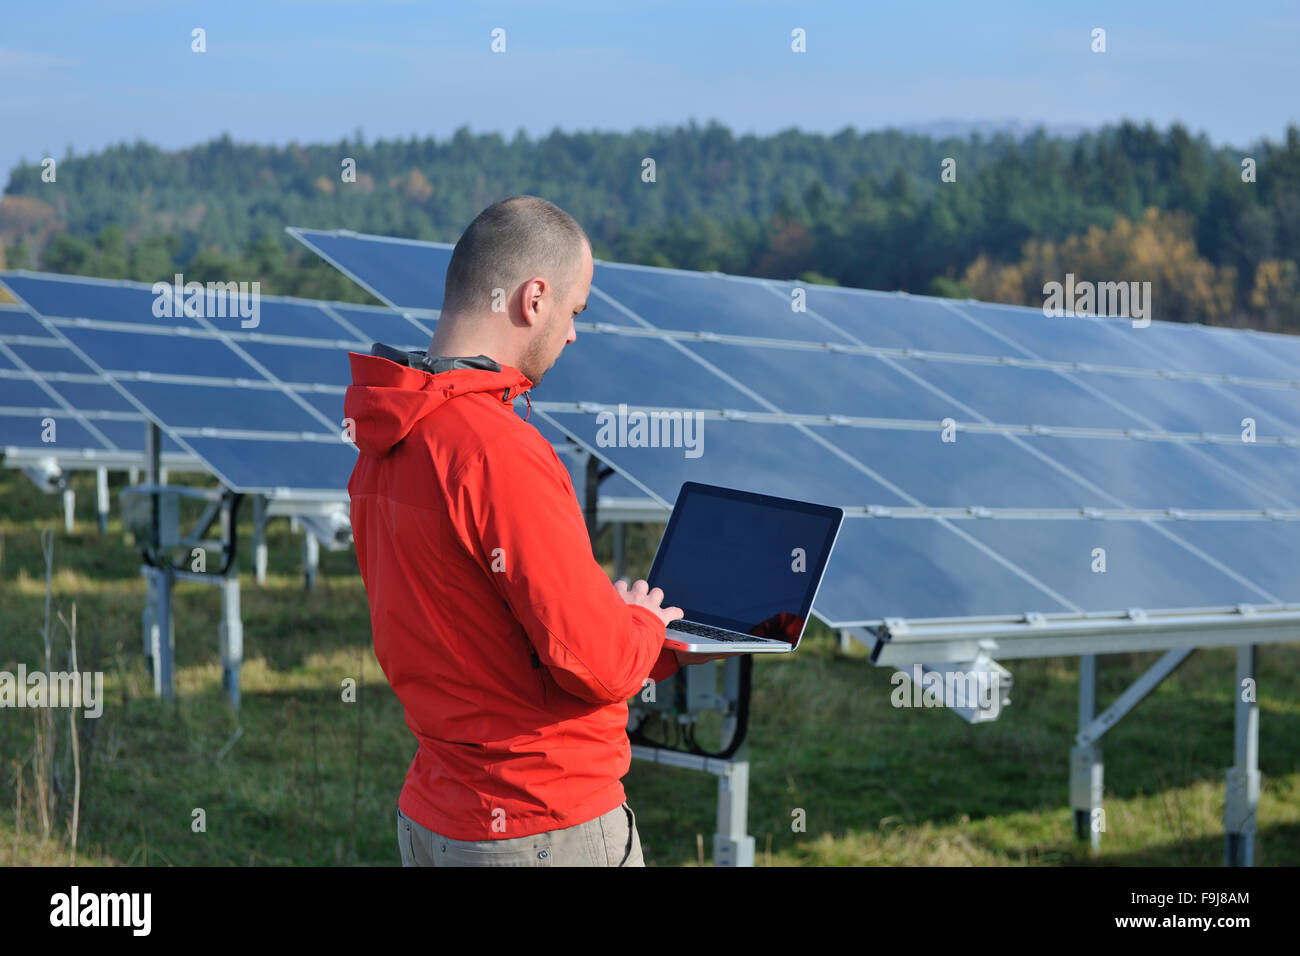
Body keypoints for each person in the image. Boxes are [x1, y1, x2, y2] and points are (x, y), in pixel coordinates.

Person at [345, 195, 732, 867]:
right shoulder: (497, 452)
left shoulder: (386, 441)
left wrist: (645, 636)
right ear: (533, 299)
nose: (575, 333)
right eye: (575, 311)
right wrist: (638, 626)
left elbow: (488, 634)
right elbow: (597, 661)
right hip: (540, 825)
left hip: (438, 815)